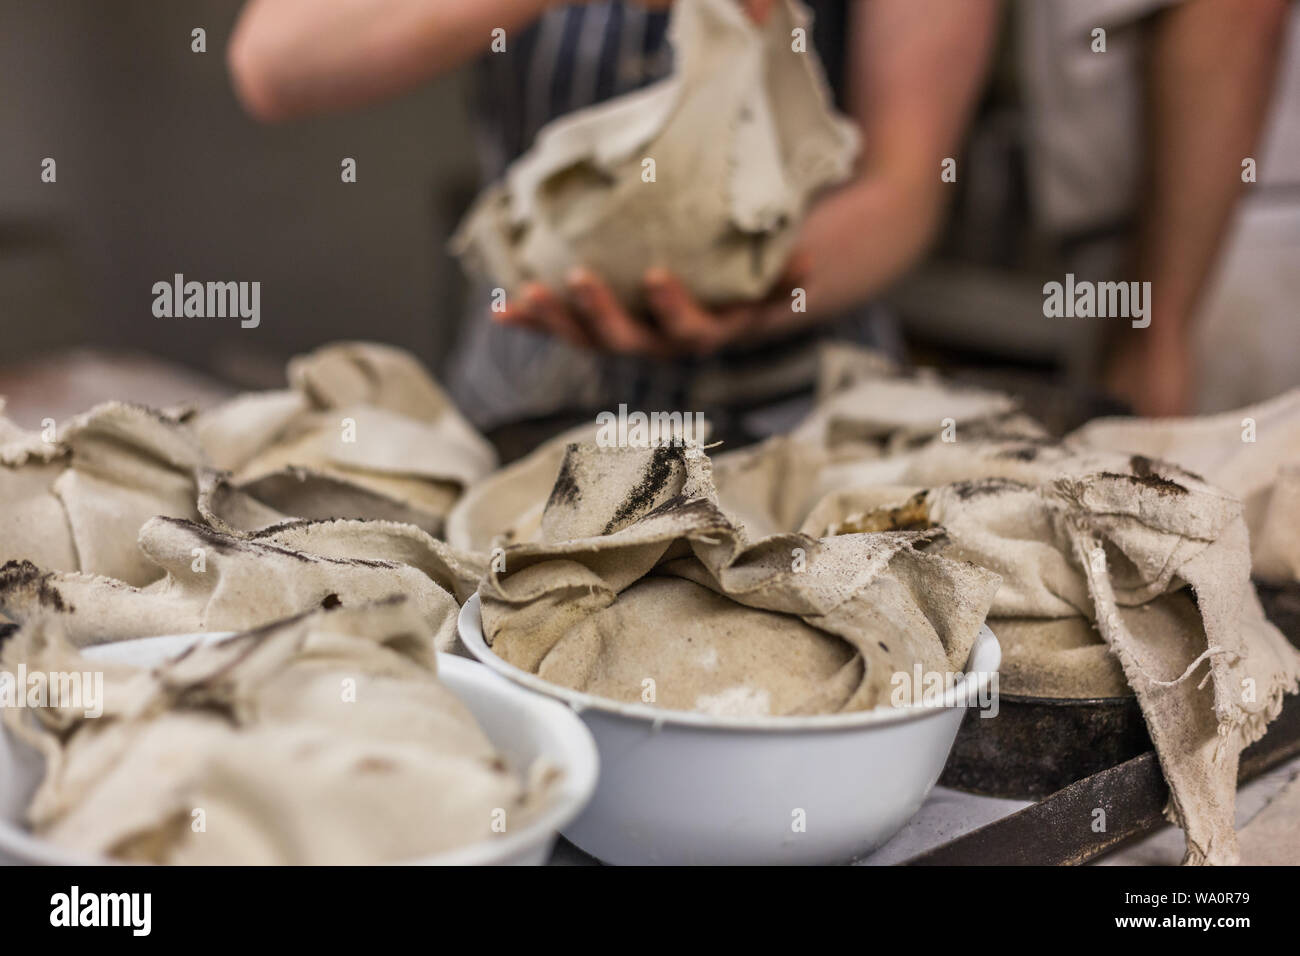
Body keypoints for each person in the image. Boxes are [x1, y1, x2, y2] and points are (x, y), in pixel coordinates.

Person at [228, 0, 1000, 435]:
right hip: (524, 401)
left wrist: (745, 288)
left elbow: (906, 187)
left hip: (807, 417)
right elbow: (276, 60)